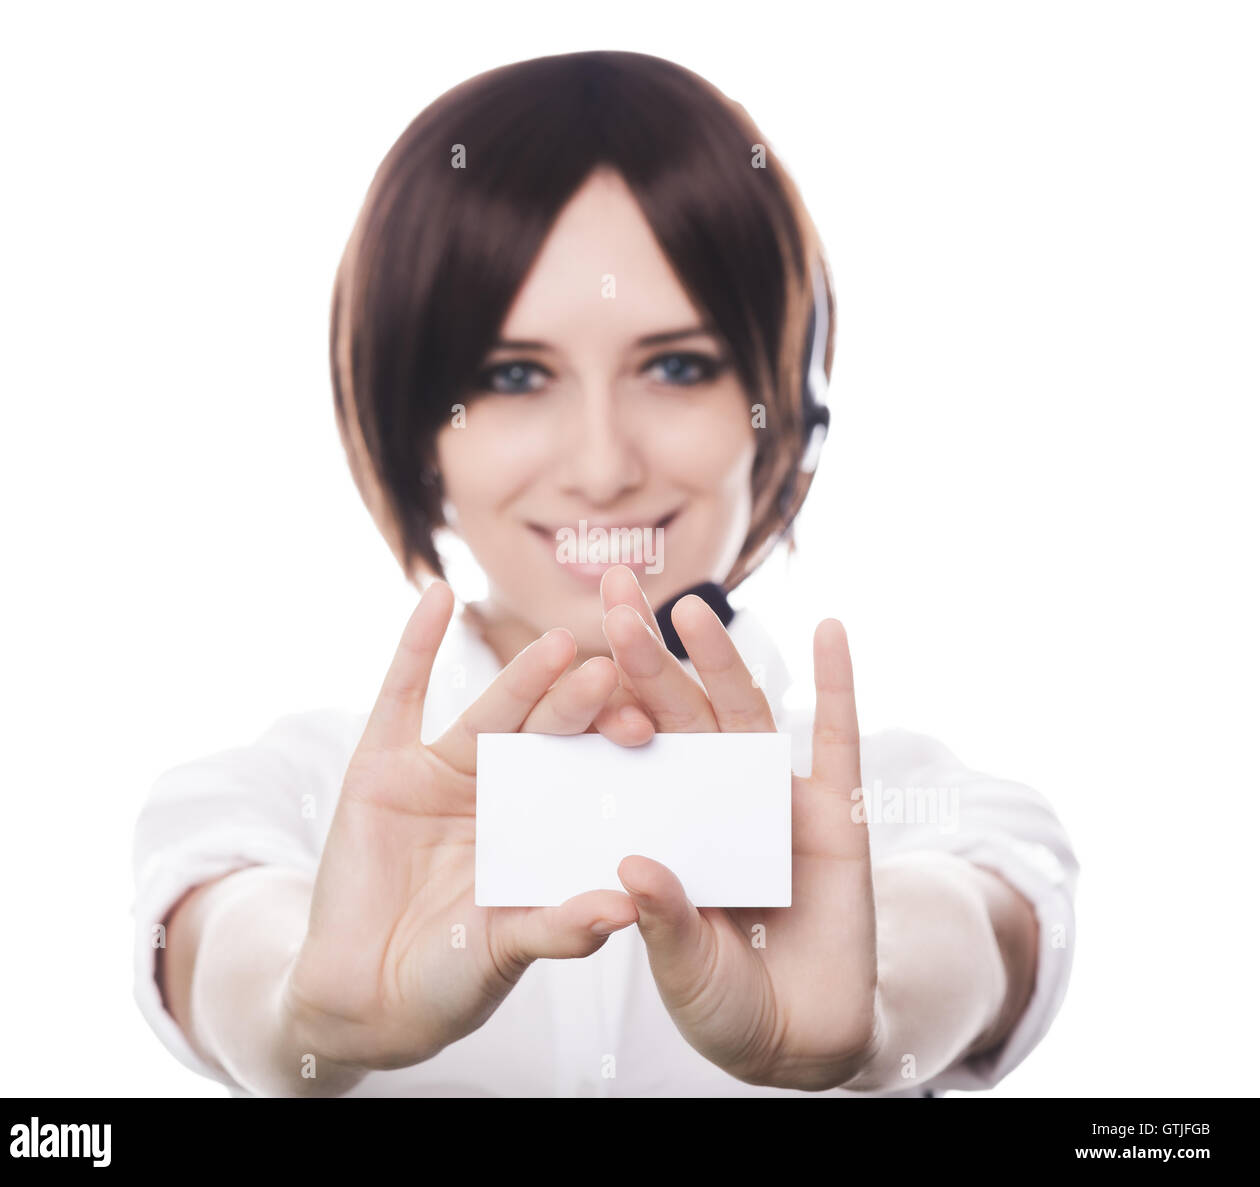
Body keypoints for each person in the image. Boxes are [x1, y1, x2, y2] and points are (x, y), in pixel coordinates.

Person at [132, 50, 1078, 1098]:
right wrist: (307, 1014)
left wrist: (878, 1006)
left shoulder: (904, 801)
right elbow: (228, 948)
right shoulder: (278, 794)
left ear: (779, 412)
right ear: (417, 427)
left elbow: (981, 927)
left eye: (677, 366)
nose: (600, 464)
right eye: (513, 375)